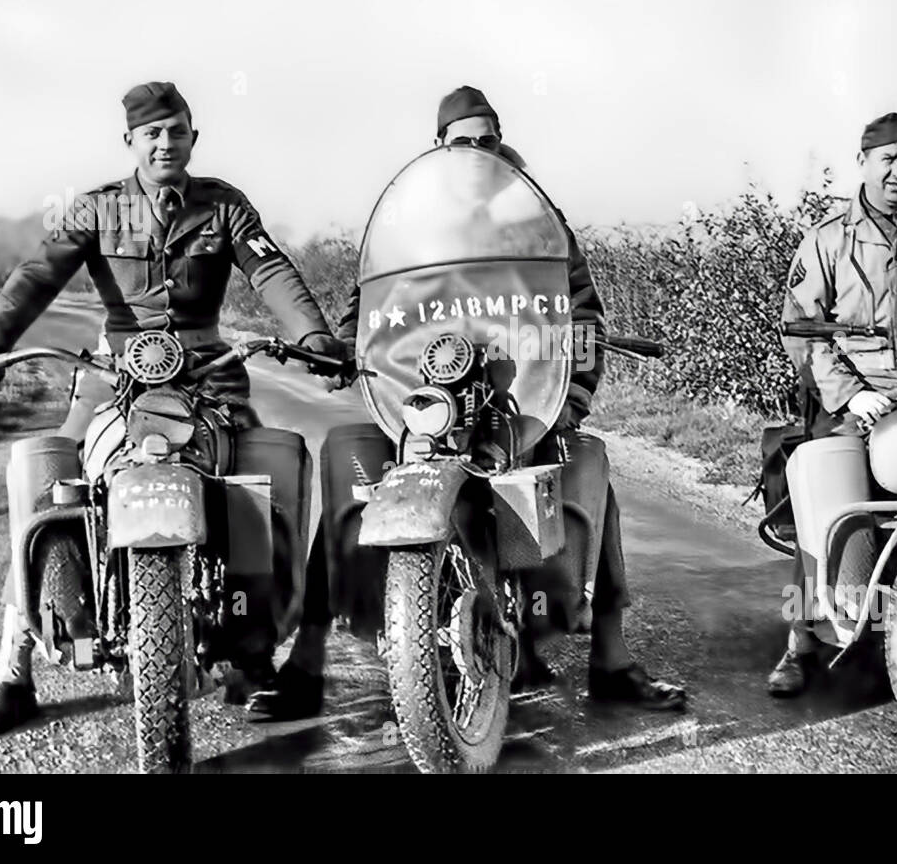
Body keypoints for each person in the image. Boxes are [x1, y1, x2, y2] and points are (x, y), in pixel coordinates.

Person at [247, 86, 687, 719]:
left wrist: (567, 399)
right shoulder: (410, 223)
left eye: (487, 142)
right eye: (464, 144)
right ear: (440, 150)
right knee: (348, 457)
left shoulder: (537, 219)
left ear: (501, 143)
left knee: (587, 463)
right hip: (423, 403)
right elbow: (370, 309)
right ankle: (306, 662)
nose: (478, 154)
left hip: (513, 400)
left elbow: (579, 311)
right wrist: (343, 351)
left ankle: (611, 659)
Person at [0, 81, 348, 736]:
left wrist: (311, 336)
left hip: (209, 377)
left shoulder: (224, 206)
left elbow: (270, 269)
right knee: (46, 482)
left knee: (270, 473)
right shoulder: (96, 209)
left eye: (178, 131)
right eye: (153, 133)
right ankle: (13, 670)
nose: (166, 142)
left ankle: (259, 649)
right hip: (112, 375)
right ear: (130, 141)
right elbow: (35, 275)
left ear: (194, 137)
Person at [768, 112, 897, 697]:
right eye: (888, 158)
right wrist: (850, 393)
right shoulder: (828, 239)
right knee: (829, 496)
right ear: (864, 162)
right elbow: (800, 329)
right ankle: (799, 642)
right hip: (849, 393)